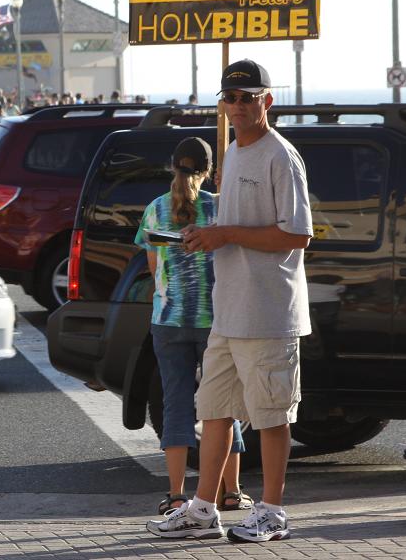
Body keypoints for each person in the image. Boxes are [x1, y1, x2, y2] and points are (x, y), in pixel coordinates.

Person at [149, 59, 312, 544]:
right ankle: (203, 509)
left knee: (272, 416)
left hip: (269, 312)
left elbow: (298, 235)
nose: (238, 106)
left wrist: (224, 234)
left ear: (268, 100)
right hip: (230, 310)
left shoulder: (279, 156)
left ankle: (273, 512)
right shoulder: (234, 152)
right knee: (214, 409)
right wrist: (207, 235)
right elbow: (235, 228)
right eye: (230, 97)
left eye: (248, 97)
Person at [136, 137, 250, 516]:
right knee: (225, 406)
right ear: (209, 170)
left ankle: (175, 494)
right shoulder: (219, 208)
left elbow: (155, 271)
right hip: (215, 321)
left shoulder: (155, 209)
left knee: (176, 404)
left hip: (167, 320)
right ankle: (231, 491)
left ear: (173, 166)